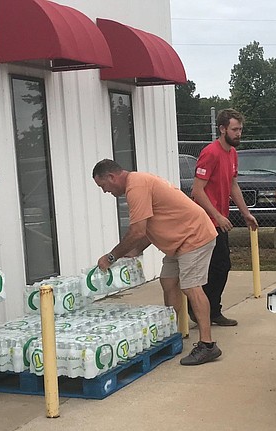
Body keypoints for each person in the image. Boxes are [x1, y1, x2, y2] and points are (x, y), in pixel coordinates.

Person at [92, 159, 222, 366]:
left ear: (111, 177)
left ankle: (207, 345)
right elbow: (149, 226)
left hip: (193, 236)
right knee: (168, 281)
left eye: (103, 186)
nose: (105, 191)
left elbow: (137, 231)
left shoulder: (137, 186)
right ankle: (171, 332)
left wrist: (111, 256)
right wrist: (135, 251)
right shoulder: (138, 184)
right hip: (178, 240)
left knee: (191, 286)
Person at [189, 108, 258, 327]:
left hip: (221, 220)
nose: (239, 134)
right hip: (206, 221)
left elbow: (232, 185)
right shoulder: (210, 153)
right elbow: (197, 191)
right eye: (235, 129)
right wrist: (217, 216)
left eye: (240, 129)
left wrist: (246, 213)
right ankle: (199, 309)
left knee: (221, 266)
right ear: (222, 129)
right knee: (215, 266)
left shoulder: (232, 153)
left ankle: (212, 310)